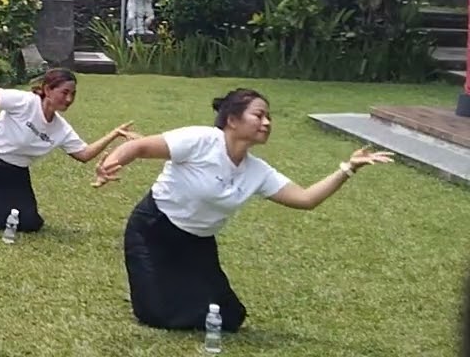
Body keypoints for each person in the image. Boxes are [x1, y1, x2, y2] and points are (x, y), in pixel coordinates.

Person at [93, 88, 393, 333]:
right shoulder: (200, 140)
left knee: (229, 317)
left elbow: (305, 199)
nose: (267, 123)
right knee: (157, 316)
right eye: (259, 115)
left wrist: (348, 168)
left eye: (269, 117)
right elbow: (140, 147)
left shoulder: (257, 171)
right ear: (232, 120)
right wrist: (110, 164)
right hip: (153, 230)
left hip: (198, 243)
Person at [0, 68, 136, 232]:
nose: (68, 99)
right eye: (64, 92)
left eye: (73, 94)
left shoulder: (61, 128)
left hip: (15, 172)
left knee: (31, 223)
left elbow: (84, 154)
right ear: (47, 90)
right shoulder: (24, 101)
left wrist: (115, 134)